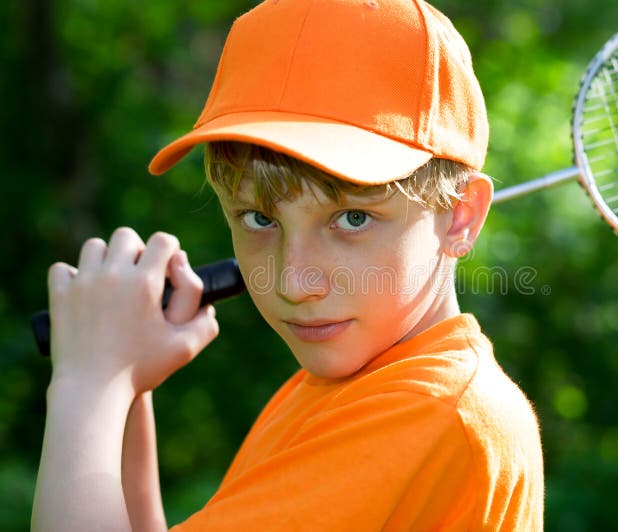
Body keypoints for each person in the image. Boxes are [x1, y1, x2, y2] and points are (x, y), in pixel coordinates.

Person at [31, 0, 544, 530]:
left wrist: (85, 385)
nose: (293, 282)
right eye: (258, 218)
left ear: (459, 218)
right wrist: (123, 383)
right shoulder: (336, 389)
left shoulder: (431, 410)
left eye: (352, 219)